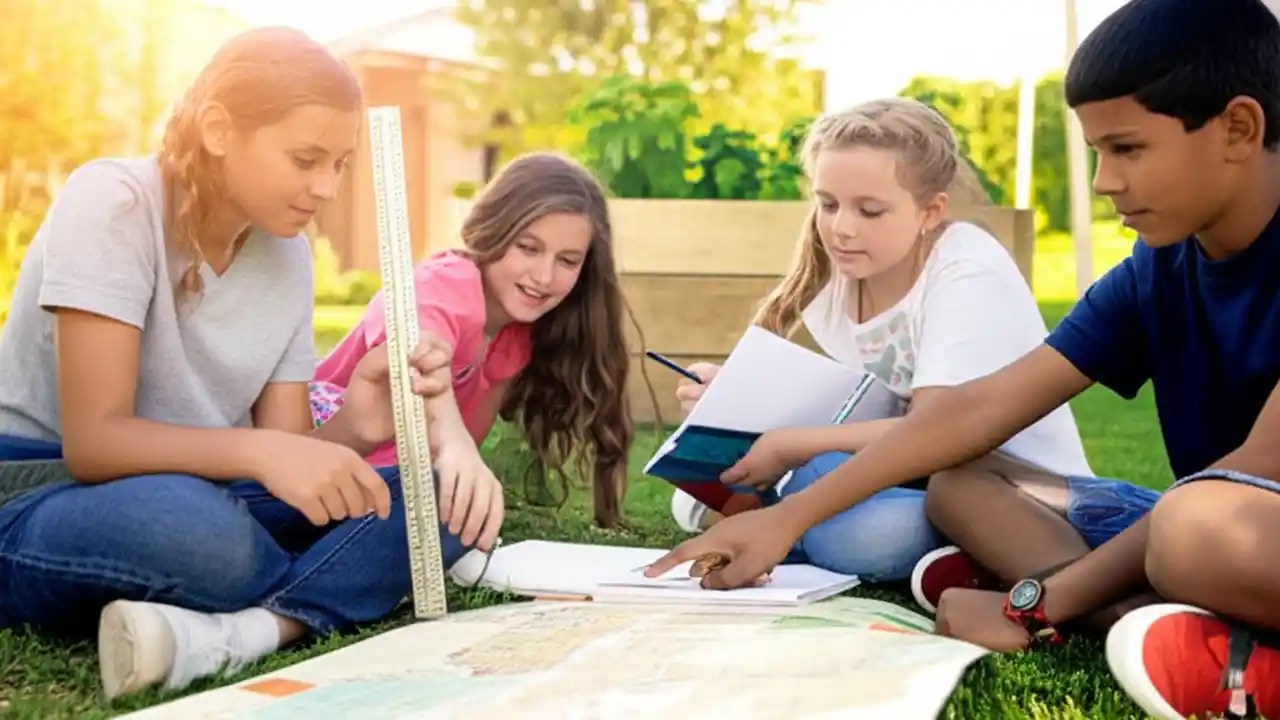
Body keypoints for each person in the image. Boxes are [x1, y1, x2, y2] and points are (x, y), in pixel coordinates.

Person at [647, 0, 1280, 717]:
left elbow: (1251, 474)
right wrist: (784, 522)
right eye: (1098, 152)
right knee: (960, 486)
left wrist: (1033, 606)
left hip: (1229, 531)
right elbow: (978, 410)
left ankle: (1194, 645)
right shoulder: (1156, 270)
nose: (1104, 181)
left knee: (1194, 528)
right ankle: (1178, 634)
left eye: (1127, 149)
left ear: (1237, 129)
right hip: (1200, 529)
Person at [0, 27, 468, 700]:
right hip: (41, 494)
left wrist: (356, 430)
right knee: (200, 534)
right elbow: (94, 444)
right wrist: (265, 457)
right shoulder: (114, 201)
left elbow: (284, 461)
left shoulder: (288, 255)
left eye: (339, 164)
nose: (327, 188)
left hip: (206, 490)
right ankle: (335, 579)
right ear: (220, 129)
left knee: (434, 502)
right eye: (306, 159)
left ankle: (250, 631)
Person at [664, 97, 1116, 586]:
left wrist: (792, 445)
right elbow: (877, 414)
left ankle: (966, 557)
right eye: (828, 204)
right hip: (912, 472)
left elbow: (935, 432)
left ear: (930, 211)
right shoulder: (845, 274)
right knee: (714, 494)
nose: (841, 228)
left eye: (870, 210)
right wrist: (734, 402)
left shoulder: (965, 272)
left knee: (863, 527)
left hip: (1008, 492)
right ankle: (922, 557)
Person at [313, 151, 637, 530]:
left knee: (455, 510)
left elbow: (463, 450)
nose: (544, 276)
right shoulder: (448, 280)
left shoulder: (515, 337)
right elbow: (418, 348)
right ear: (493, 229)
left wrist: (460, 462)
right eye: (528, 248)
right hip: (321, 444)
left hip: (392, 483)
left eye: (567, 261)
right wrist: (453, 443)